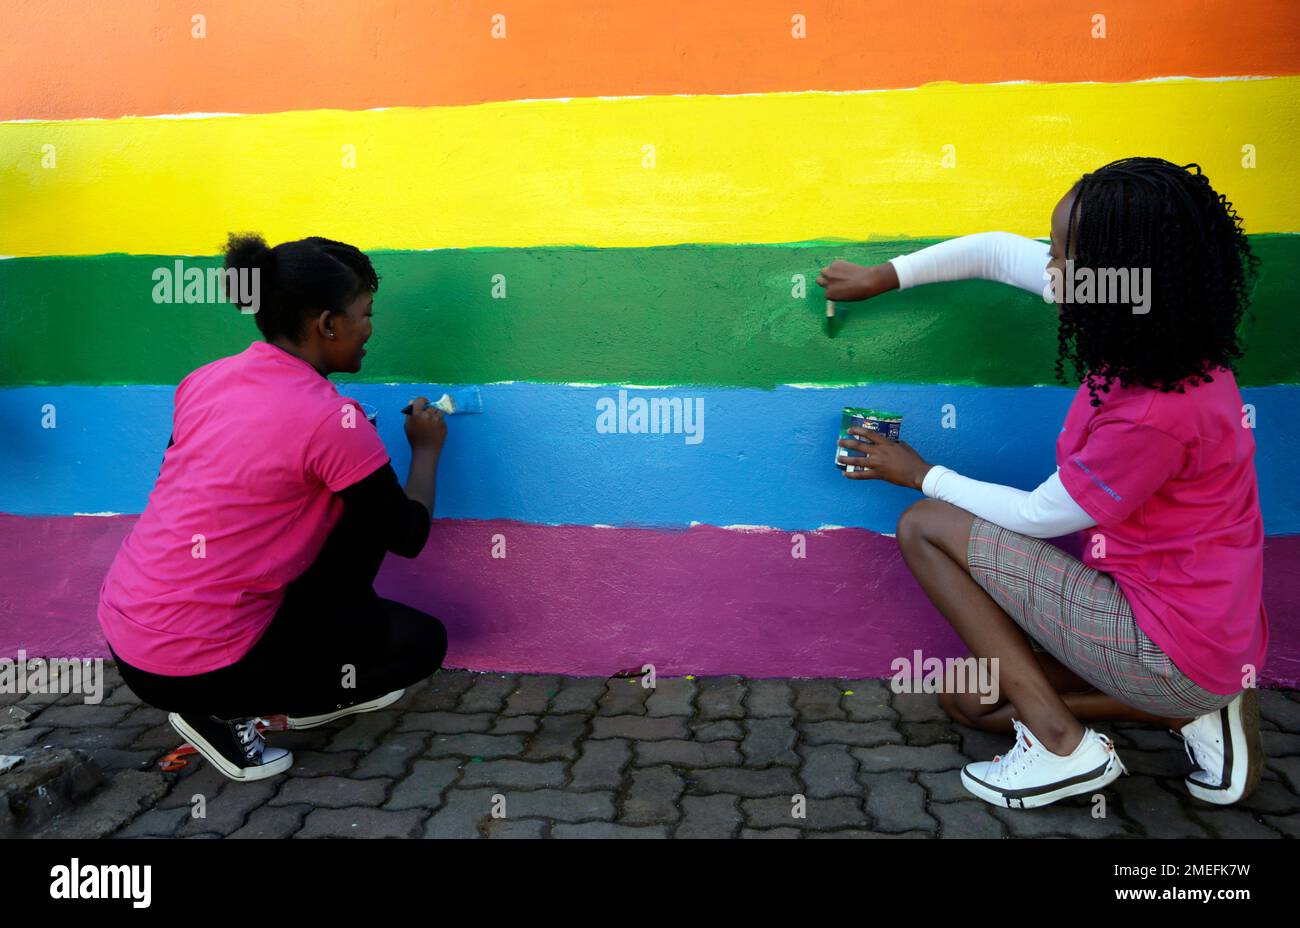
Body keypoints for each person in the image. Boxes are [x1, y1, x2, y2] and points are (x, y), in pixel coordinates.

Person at [818, 157, 1267, 809]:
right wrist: (878, 279)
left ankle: (1064, 747)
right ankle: (1191, 713)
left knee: (924, 523)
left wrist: (918, 473)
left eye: (1060, 256)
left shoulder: (1156, 413)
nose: (1047, 268)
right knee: (972, 696)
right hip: (1187, 627)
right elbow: (999, 255)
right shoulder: (1150, 321)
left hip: (1172, 642)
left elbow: (1039, 514)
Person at [97, 234, 449, 782]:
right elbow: (407, 535)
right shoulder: (332, 420)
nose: (369, 328)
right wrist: (425, 450)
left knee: (349, 513)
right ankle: (223, 713)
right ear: (327, 325)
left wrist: (339, 455)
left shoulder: (205, 379)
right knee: (421, 643)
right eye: (365, 314)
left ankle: (286, 695)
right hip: (193, 664)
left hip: (129, 633)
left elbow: (212, 483)